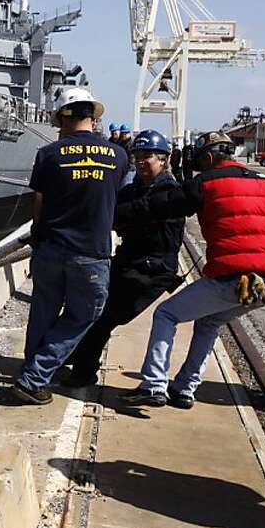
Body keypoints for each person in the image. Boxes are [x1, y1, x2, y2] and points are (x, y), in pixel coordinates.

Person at [117, 131, 265, 408]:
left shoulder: (207, 182)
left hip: (233, 278)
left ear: (209, 157)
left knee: (167, 314)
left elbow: (159, 206)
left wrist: (113, 214)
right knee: (210, 321)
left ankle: (153, 385)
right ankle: (185, 389)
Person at [13, 87, 130, 405]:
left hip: (50, 248)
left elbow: (39, 201)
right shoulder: (119, 156)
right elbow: (115, 197)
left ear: (62, 119)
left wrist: (39, 234)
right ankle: (34, 376)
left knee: (43, 312)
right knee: (82, 316)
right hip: (91, 253)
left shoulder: (48, 154)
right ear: (93, 119)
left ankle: (33, 371)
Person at [65, 130, 186, 386]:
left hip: (151, 271)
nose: (141, 162)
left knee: (104, 318)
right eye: (138, 157)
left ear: (164, 160)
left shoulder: (171, 193)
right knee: (92, 311)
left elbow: (126, 216)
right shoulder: (132, 190)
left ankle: (82, 374)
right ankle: (75, 358)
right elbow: (115, 214)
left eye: (148, 157)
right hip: (129, 263)